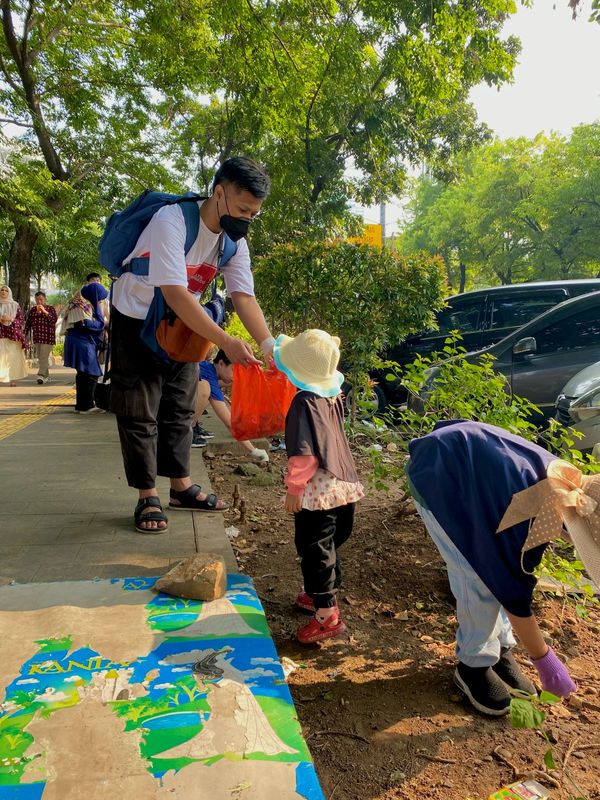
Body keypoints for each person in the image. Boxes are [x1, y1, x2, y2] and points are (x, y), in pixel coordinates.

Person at [109, 156, 275, 534]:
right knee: (139, 410)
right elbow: (175, 293)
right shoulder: (172, 220)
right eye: (243, 209)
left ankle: (180, 486)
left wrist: (267, 345)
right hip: (136, 317)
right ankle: (147, 495)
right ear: (219, 194)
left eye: (254, 213)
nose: (247, 218)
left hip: (183, 327)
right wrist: (227, 342)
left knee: (181, 407)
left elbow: (243, 297)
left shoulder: (233, 243)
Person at [406, 420, 600, 717]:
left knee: (494, 574)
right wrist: (544, 660)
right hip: (439, 477)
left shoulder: (561, 490)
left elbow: (517, 571)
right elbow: (511, 586)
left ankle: (499, 651)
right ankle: (473, 664)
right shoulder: (539, 508)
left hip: (466, 468)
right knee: (476, 577)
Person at [275, 329, 364, 644]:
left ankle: (327, 615)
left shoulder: (303, 402)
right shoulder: (331, 396)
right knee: (328, 546)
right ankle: (320, 596)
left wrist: (294, 488)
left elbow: (305, 454)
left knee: (314, 548)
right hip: (342, 482)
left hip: (318, 490)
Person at [192, 349, 269, 462]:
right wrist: (253, 450)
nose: (235, 376)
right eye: (233, 370)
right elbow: (229, 423)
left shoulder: (208, 368)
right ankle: (187, 429)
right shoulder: (208, 376)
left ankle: (191, 426)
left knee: (207, 388)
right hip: (167, 409)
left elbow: (234, 381)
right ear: (221, 363)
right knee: (204, 389)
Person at [63, 283, 109, 413]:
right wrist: (101, 323)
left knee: (83, 373)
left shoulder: (83, 304)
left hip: (82, 342)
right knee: (91, 372)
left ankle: (82, 405)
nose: (101, 300)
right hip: (82, 343)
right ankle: (87, 405)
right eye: (100, 297)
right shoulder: (82, 306)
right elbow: (88, 324)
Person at [24, 291, 58, 384]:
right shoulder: (33, 310)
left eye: (41, 299)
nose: (39, 302)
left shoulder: (50, 309)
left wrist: (44, 311)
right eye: (37, 300)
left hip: (48, 338)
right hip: (37, 337)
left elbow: (53, 320)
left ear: (45, 299)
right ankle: (46, 377)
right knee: (41, 357)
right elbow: (28, 324)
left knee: (43, 356)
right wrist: (24, 335)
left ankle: (41, 375)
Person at [0, 285, 28, 386]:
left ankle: (13, 379)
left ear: (9, 293)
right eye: (2, 290)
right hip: (1, 334)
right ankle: (2, 378)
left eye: (6, 290)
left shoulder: (15, 305)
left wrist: (10, 319)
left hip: (13, 335)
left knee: (13, 358)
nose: (3, 292)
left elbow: (21, 321)